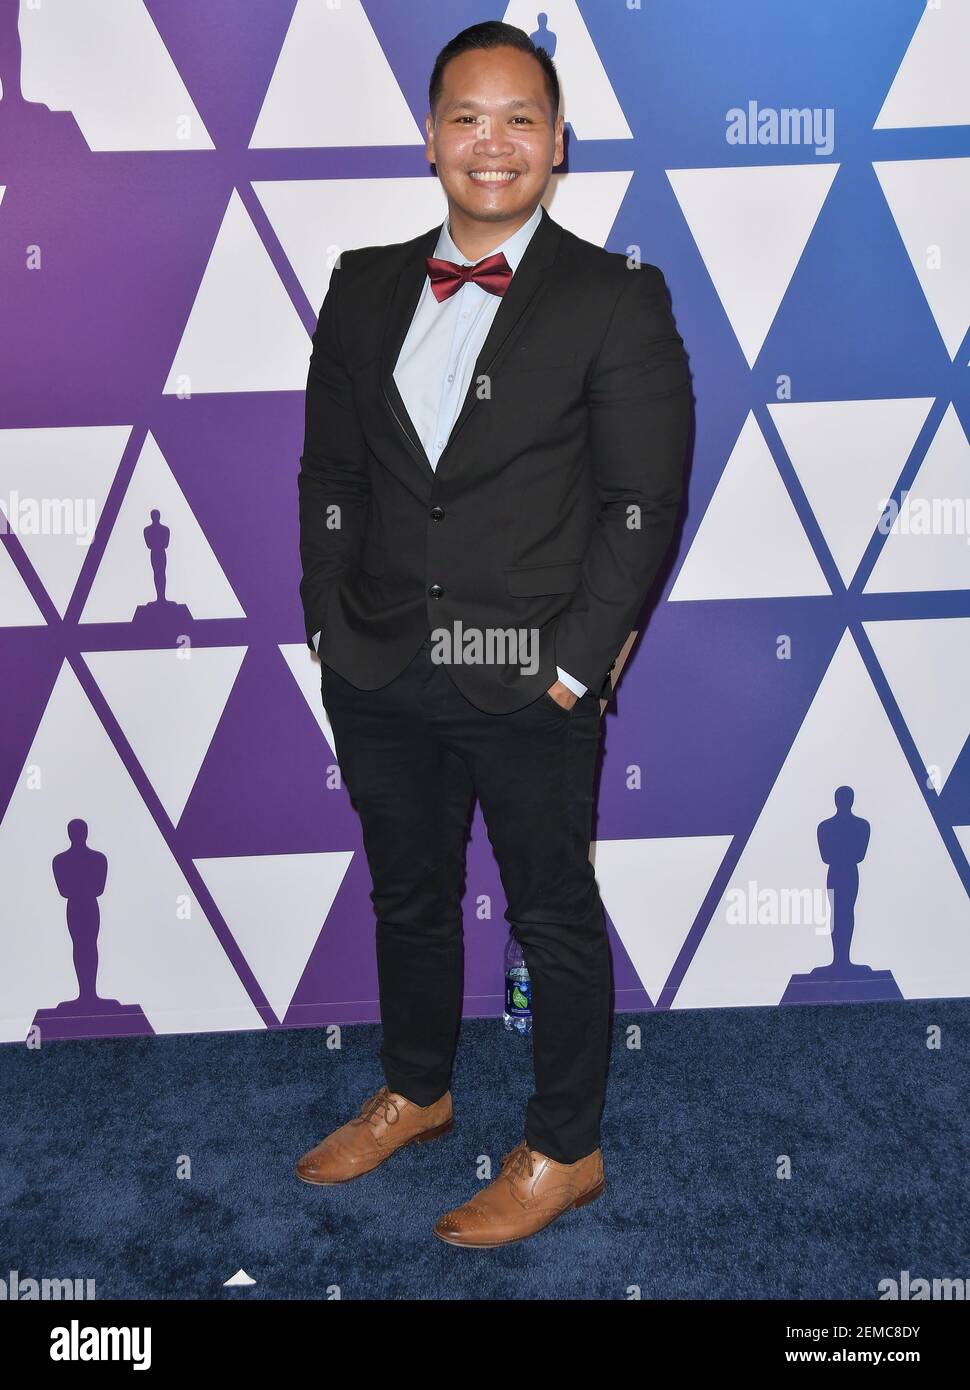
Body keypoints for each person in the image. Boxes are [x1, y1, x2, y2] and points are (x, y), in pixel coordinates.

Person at [295, 20, 691, 1248]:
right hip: (376, 664)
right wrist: (326, 616)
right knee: (407, 895)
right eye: (467, 116)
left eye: (521, 118)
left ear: (558, 142)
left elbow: (641, 503)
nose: (493, 142)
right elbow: (331, 471)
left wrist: (575, 667)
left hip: (529, 679)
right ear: (429, 138)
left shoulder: (616, 296)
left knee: (550, 912)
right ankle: (417, 1087)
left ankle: (565, 1150)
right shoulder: (362, 283)